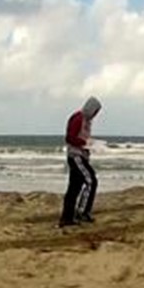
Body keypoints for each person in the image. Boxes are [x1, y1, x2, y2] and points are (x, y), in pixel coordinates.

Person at [60, 96, 102, 228]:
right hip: (76, 156)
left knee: (75, 187)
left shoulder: (86, 121)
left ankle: (68, 217)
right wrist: (85, 143)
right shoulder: (78, 118)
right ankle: (82, 212)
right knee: (90, 181)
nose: (95, 115)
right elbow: (70, 137)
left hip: (81, 155)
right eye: (95, 111)